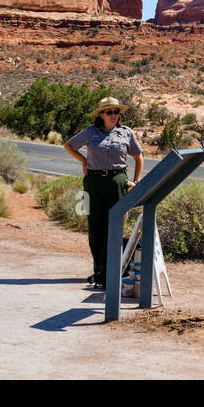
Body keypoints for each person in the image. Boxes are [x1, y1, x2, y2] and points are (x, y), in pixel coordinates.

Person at [64, 97, 144, 288]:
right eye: (109, 112)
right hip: (92, 183)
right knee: (95, 227)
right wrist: (83, 161)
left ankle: (108, 273)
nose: (114, 115)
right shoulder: (90, 132)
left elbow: (139, 156)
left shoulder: (126, 133)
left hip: (117, 182)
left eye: (116, 112)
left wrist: (136, 181)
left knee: (114, 227)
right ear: (100, 114)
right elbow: (69, 146)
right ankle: (98, 270)